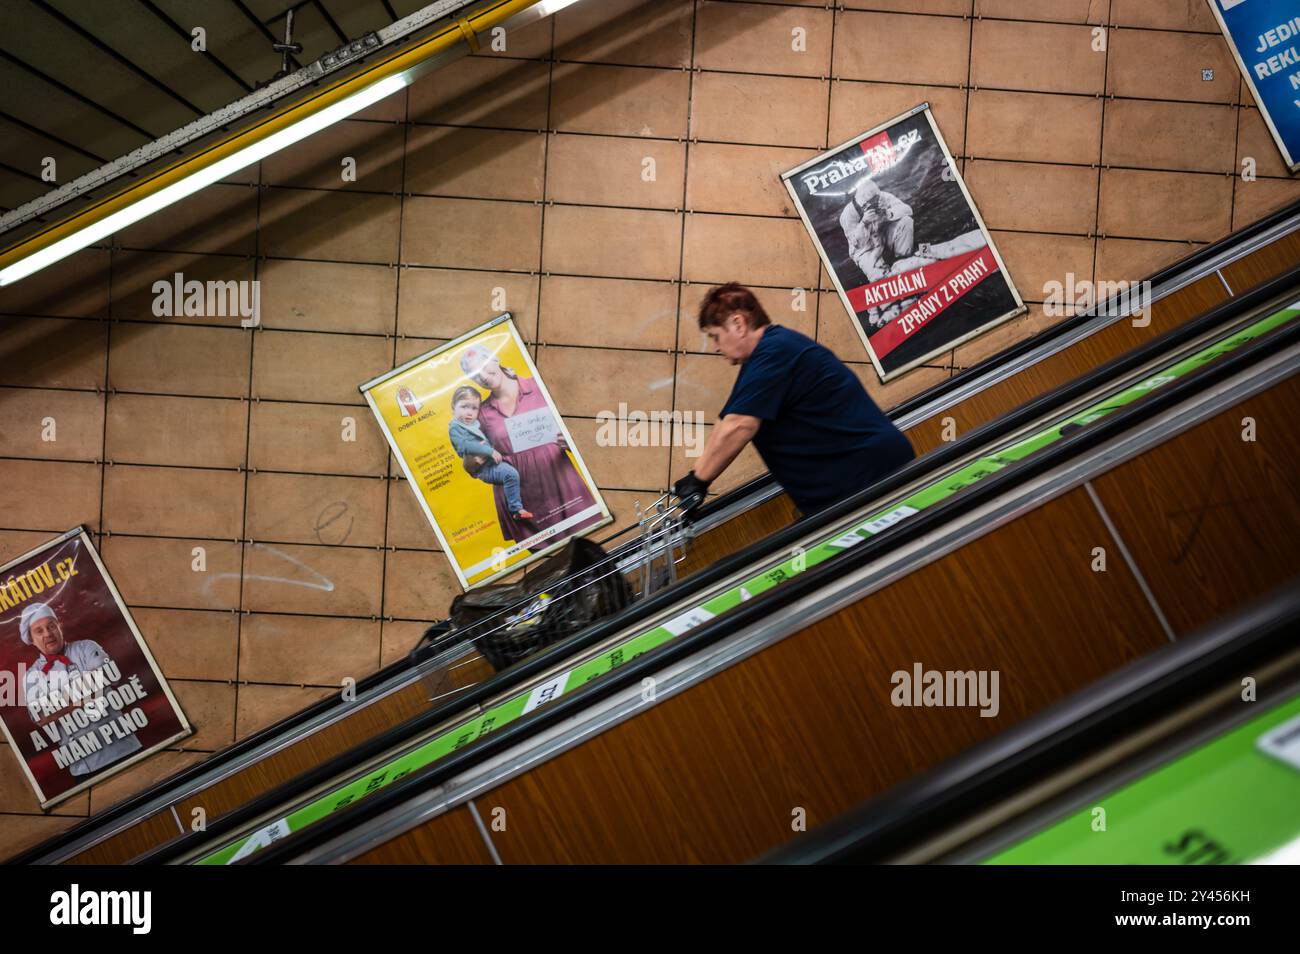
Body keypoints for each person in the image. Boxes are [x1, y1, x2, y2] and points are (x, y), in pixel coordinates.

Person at [672, 283, 915, 518]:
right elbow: (727, 420)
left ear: (738, 323)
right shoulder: (763, 358)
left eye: (715, 336)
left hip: (872, 479)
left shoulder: (776, 352)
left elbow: (740, 426)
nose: (715, 347)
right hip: (855, 485)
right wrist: (696, 476)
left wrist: (699, 481)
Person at [460, 344, 602, 546]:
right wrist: (473, 459)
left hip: (563, 486)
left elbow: (587, 432)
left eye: (483, 366)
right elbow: (471, 468)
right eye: (474, 375)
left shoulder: (540, 387)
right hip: (524, 502)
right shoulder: (480, 415)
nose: (482, 376)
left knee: (591, 542)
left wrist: (573, 441)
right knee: (554, 563)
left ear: (495, 359)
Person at [20, 602, 142, 777]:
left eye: (51, 626)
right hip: (84, 767)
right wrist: (89, 690)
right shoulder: (31, 676)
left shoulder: (86, 647)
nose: (47, 634)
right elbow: (40, 716)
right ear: (31, 639)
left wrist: (57, 704)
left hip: (125, 747)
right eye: (39, 631)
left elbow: (107, 675)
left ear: (59, 625)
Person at [840, 177, 918, 328]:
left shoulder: (883, 197)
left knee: (906, 222)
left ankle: (904, 262)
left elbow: (908, 209)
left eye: (877, 199)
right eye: (872, 202)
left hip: (883, 238)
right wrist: (864, 223)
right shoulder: (848, 214)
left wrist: (887, 213)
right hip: (864, 249)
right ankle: (877, 315)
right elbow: (856, 243)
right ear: (862, 204)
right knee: (879, 278)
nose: (876, 203)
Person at [448, 385, 534, 521]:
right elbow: (464, 445)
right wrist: (489, 450)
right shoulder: (455, 427)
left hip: (493, 462)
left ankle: (518, 509)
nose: (469, 412)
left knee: (514, 474)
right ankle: (516, 509)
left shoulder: (473, 423)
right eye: (464, 407)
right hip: (484, 468)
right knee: (510, 475)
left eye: (474, 408)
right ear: (453, 407)